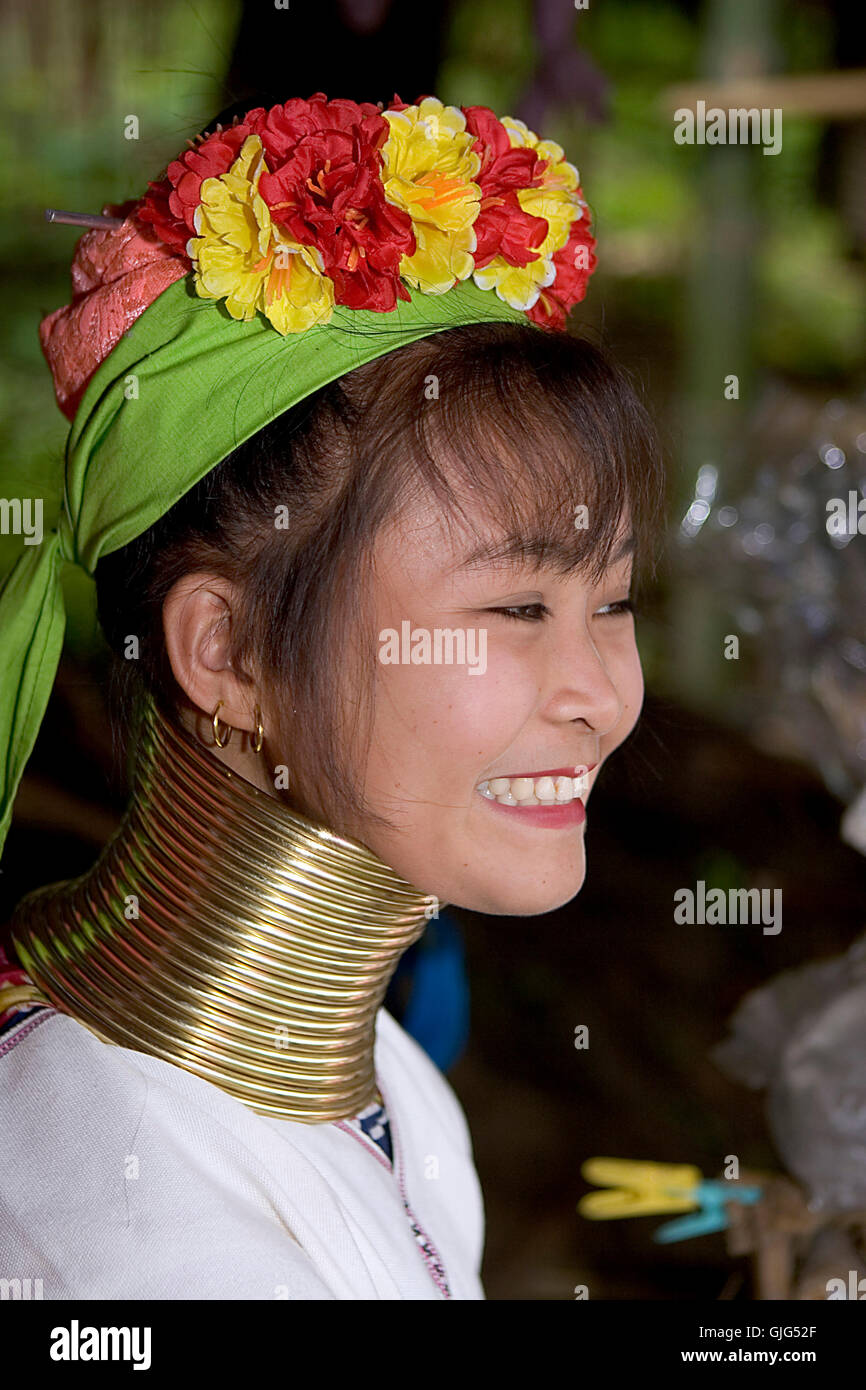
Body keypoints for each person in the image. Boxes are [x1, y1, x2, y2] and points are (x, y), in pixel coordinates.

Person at [0, 92, 664, 1299]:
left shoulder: (390, 1085)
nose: (600, 694)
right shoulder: (110, 1229)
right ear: (232, 651)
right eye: (516, 609)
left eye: (611, 603)